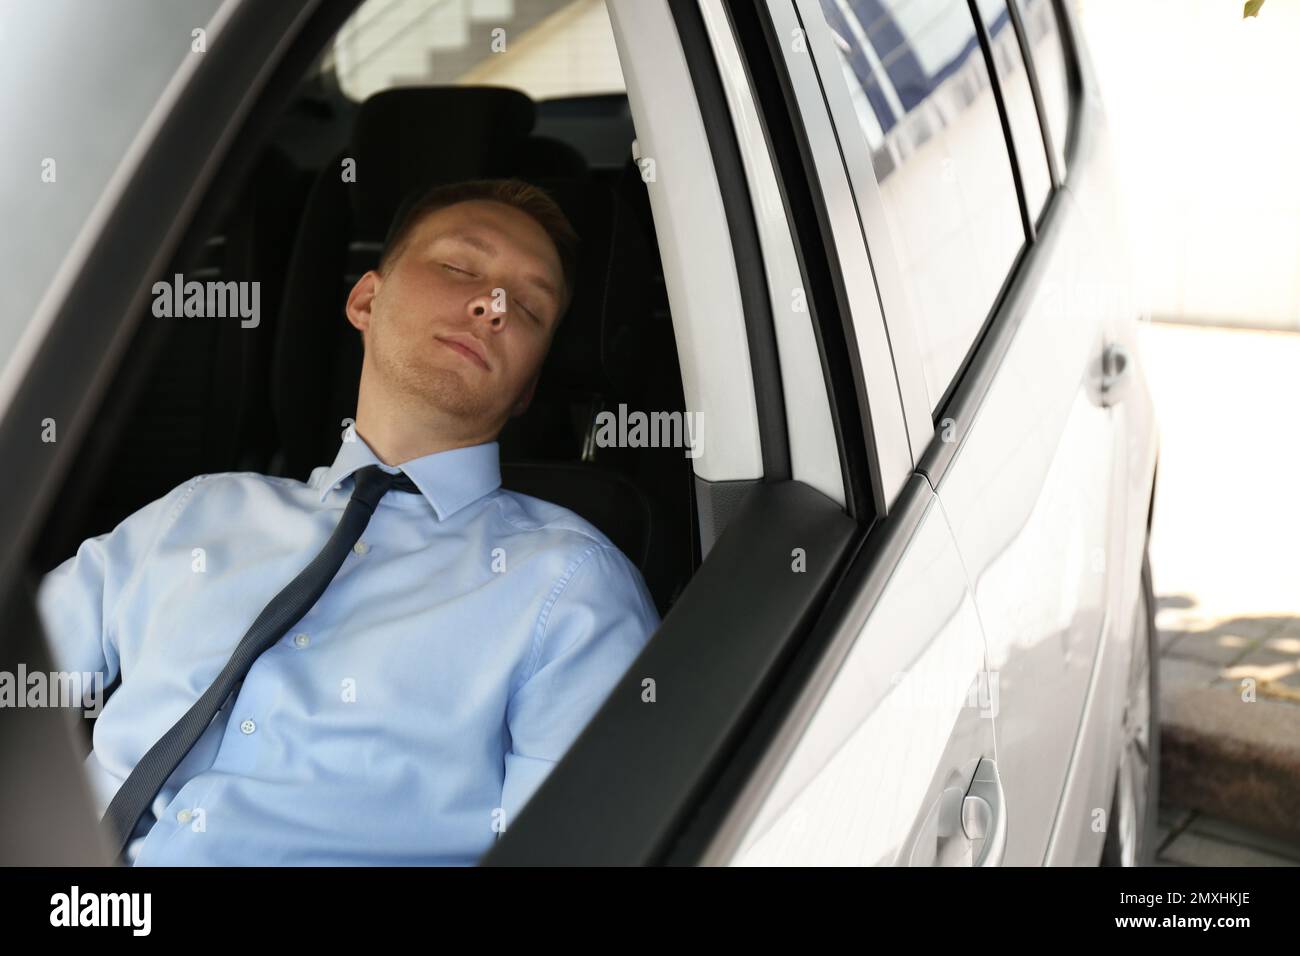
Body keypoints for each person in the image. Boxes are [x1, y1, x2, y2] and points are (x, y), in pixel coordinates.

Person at [36, 178, 661, 865]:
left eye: (532, 308)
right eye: (459, 267)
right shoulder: (199, 513)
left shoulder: (570, 588)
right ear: (366, 299)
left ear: (529, 388)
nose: (493, 305)